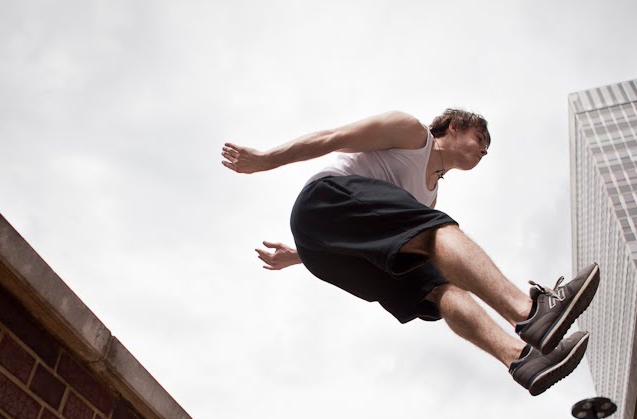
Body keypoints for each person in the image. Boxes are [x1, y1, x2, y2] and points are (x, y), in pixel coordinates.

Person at [221, 109, 599, 395]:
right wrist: (266, 160)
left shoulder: (429, 194)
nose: (485, 149)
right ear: (453, 127)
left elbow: (374, 230)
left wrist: (301, 254)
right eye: (481, 137)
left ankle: (523, 360)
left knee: (438, 285)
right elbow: (334, 137)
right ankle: (531, 311)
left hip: (328, 251)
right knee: (436, 232)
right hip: (324, 200)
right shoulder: (411, 133)